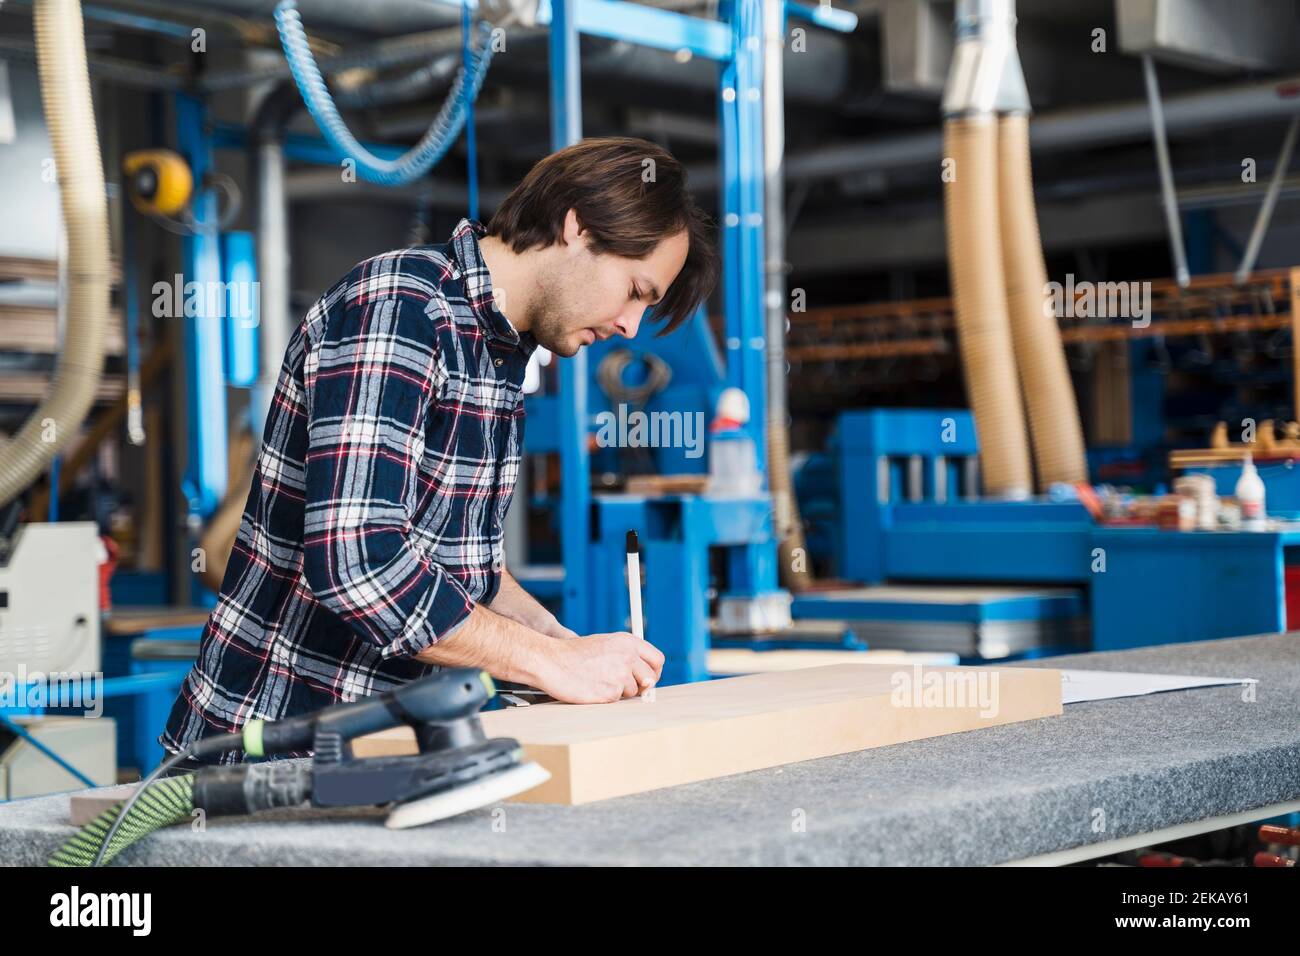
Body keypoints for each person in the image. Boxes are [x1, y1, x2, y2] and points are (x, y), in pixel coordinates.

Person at [159, 137, 720, 764]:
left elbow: (460, 568)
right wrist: (551, 662)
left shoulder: (501, 355)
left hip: (376, 763)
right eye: (635, 291)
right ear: (579, 228)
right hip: (267, 761)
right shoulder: (402, 308)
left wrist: (556, 641)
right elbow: (360, 566)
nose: (629, 327)